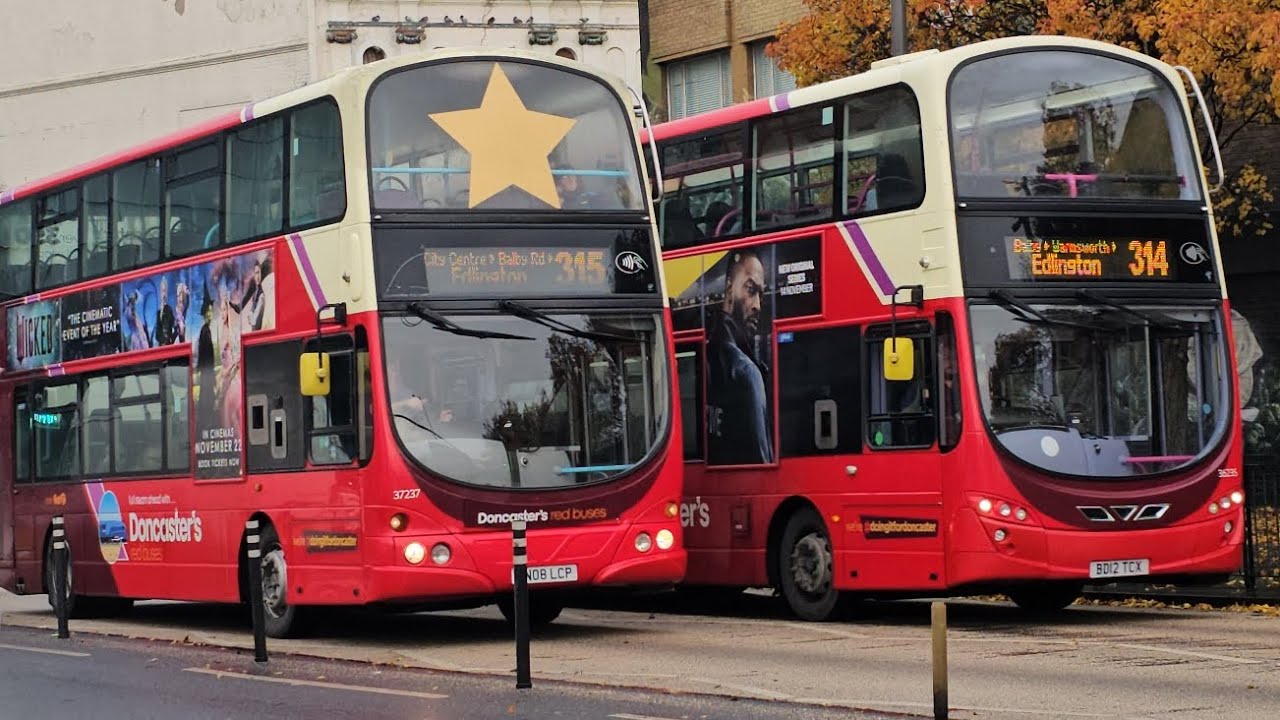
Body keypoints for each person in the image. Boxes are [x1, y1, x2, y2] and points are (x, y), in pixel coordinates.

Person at [706, 248, 773, 464]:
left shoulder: (708, 352)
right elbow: (761, 462)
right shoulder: (747, 373)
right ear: (728, 289)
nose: (757, 306)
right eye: (750, 290)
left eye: (761, 295)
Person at [386, 352, 453, 427]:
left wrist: (439, 420)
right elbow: (380, 412)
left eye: (397, 366)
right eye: (392, 366)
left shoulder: (409, 393)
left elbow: (422, 426)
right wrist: (406, 404)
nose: (396, 371)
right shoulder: (379, 393)